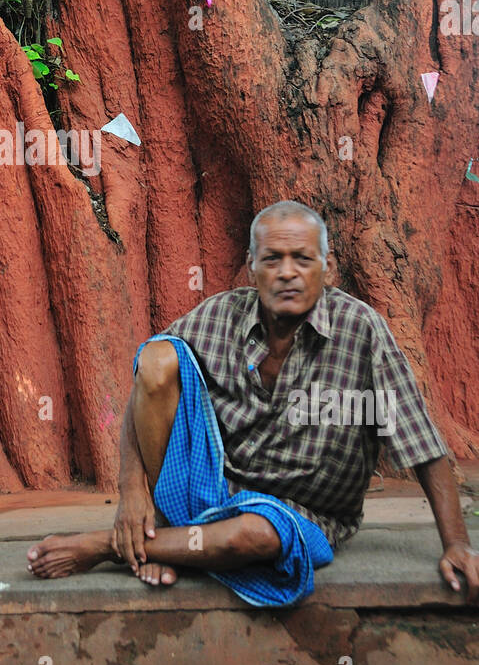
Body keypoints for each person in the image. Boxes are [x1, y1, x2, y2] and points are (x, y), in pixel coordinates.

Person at [27, 201, 479, 606]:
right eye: (272, 260)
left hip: (304, 514)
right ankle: (163, 534)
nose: (287, 272)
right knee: (159, 357)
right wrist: (131, 491)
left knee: (255, 535)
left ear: (327, 266)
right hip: (215, 491)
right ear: (251, 268)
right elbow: (145, 384)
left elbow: (423, 445)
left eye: (303, 259)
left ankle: (111, 547)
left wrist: (456, 543)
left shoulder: (361, 330)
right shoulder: (220, 316)